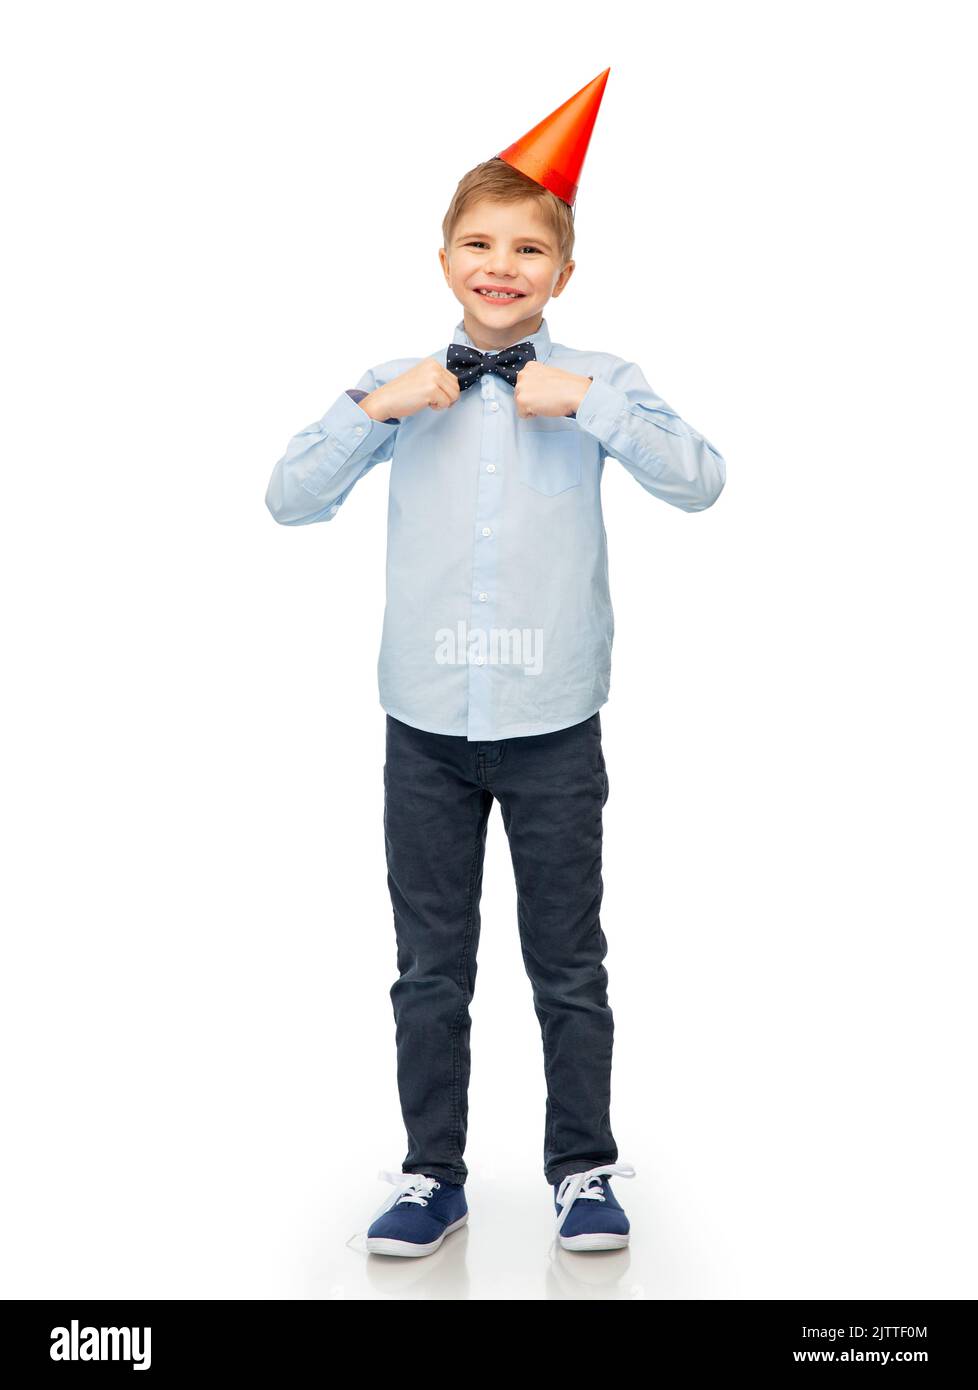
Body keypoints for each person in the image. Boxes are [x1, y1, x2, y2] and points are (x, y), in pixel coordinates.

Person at [265, 69, 727, 1257]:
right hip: (421, 725)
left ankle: (582, 1167)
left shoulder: (603, 382)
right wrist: (375, 410)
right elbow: (286, 499)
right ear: (443, 258)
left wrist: (592, 409)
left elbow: (702, 478)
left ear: (563, 273)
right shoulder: (395, 386)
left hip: (554, 721)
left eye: (530, 247)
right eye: (480, 241)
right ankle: (433, 1173)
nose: (502, 264)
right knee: (429, 965)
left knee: (568, 959)